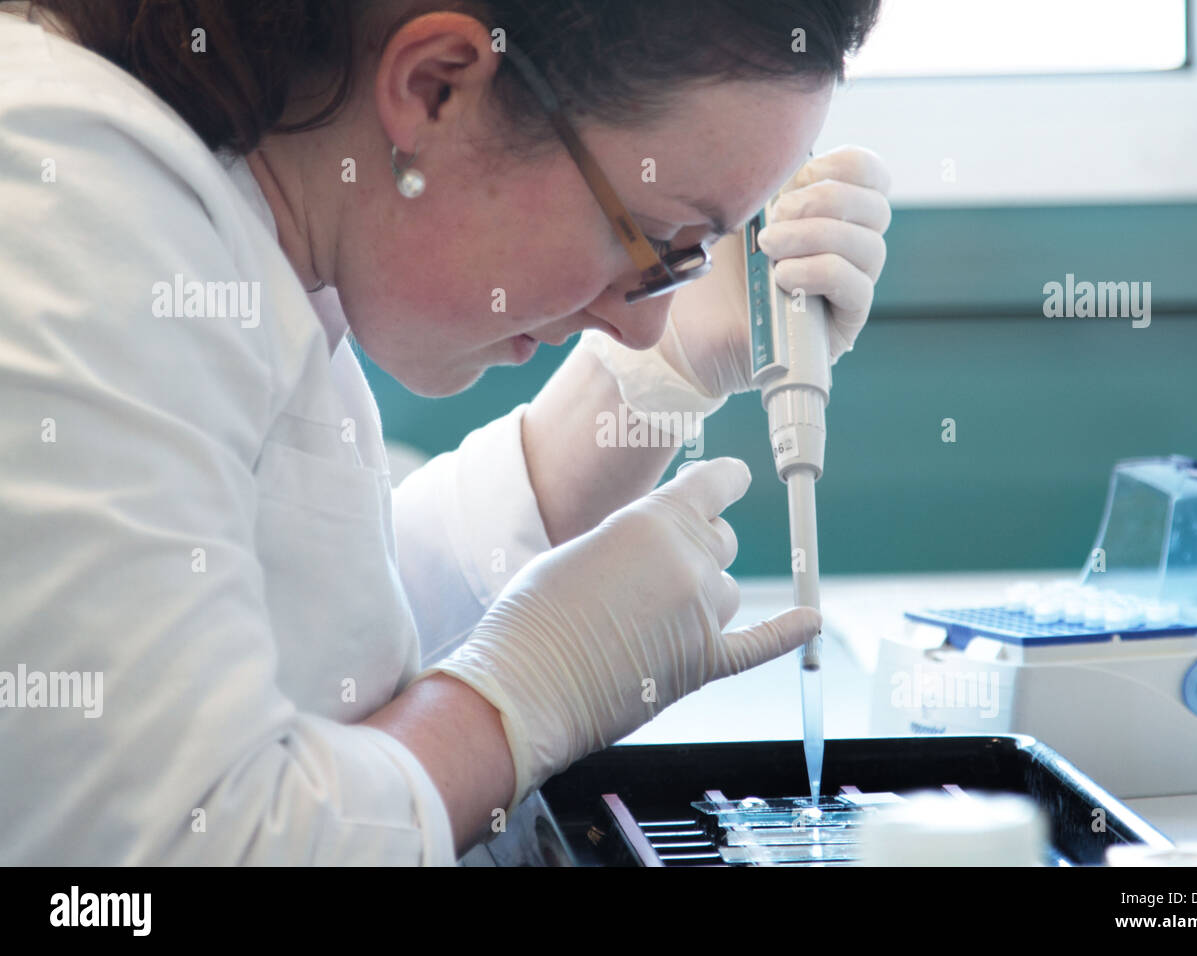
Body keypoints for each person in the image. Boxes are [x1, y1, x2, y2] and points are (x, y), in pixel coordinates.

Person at [0, 0, 890, 864]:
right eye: (657, 241)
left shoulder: (241, 205)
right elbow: (170, 855)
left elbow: (299, 638)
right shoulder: (61, 216)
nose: (646, 323)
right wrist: (513, 708)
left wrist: (652, 388)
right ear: (435, 88)